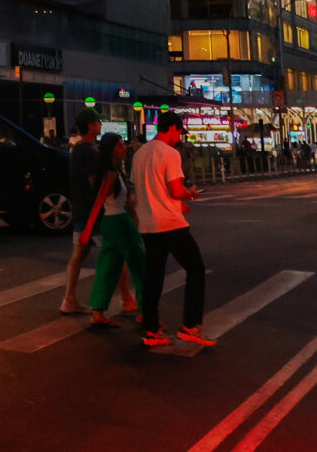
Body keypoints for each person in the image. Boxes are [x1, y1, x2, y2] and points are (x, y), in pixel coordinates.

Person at [131, 111, 214, 349]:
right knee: (196, 269)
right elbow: (175, 189)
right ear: (172, 129)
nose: (179, 137)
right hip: (170, 224)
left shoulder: (139, 154)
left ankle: (151, 330)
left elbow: (149, 189)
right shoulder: (170, 153)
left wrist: (178, 203)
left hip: (148, 224)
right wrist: (189, 194)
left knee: (153, 277)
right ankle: (190, 325)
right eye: (179, 132)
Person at [62, 109, 135, 315]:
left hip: (80, 212)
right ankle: (127, 298)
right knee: (115, 255)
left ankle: (69, 298)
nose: (100, 125)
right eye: (97, 122)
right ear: (92, 126)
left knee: (78, 255)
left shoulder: (77, 150)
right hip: (97, 215)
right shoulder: (91, 152)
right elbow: (97, 185)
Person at [82, 133, 145, 328]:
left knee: (108, 266)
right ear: (111, 150)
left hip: (109, 223)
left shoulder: (114, 171)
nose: (124, 148)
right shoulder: (110, 173)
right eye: (119, 145)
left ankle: (98, 311)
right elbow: (99, 200)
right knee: (140, 265)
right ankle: (145, 311)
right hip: (120, 222)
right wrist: (87, 229)